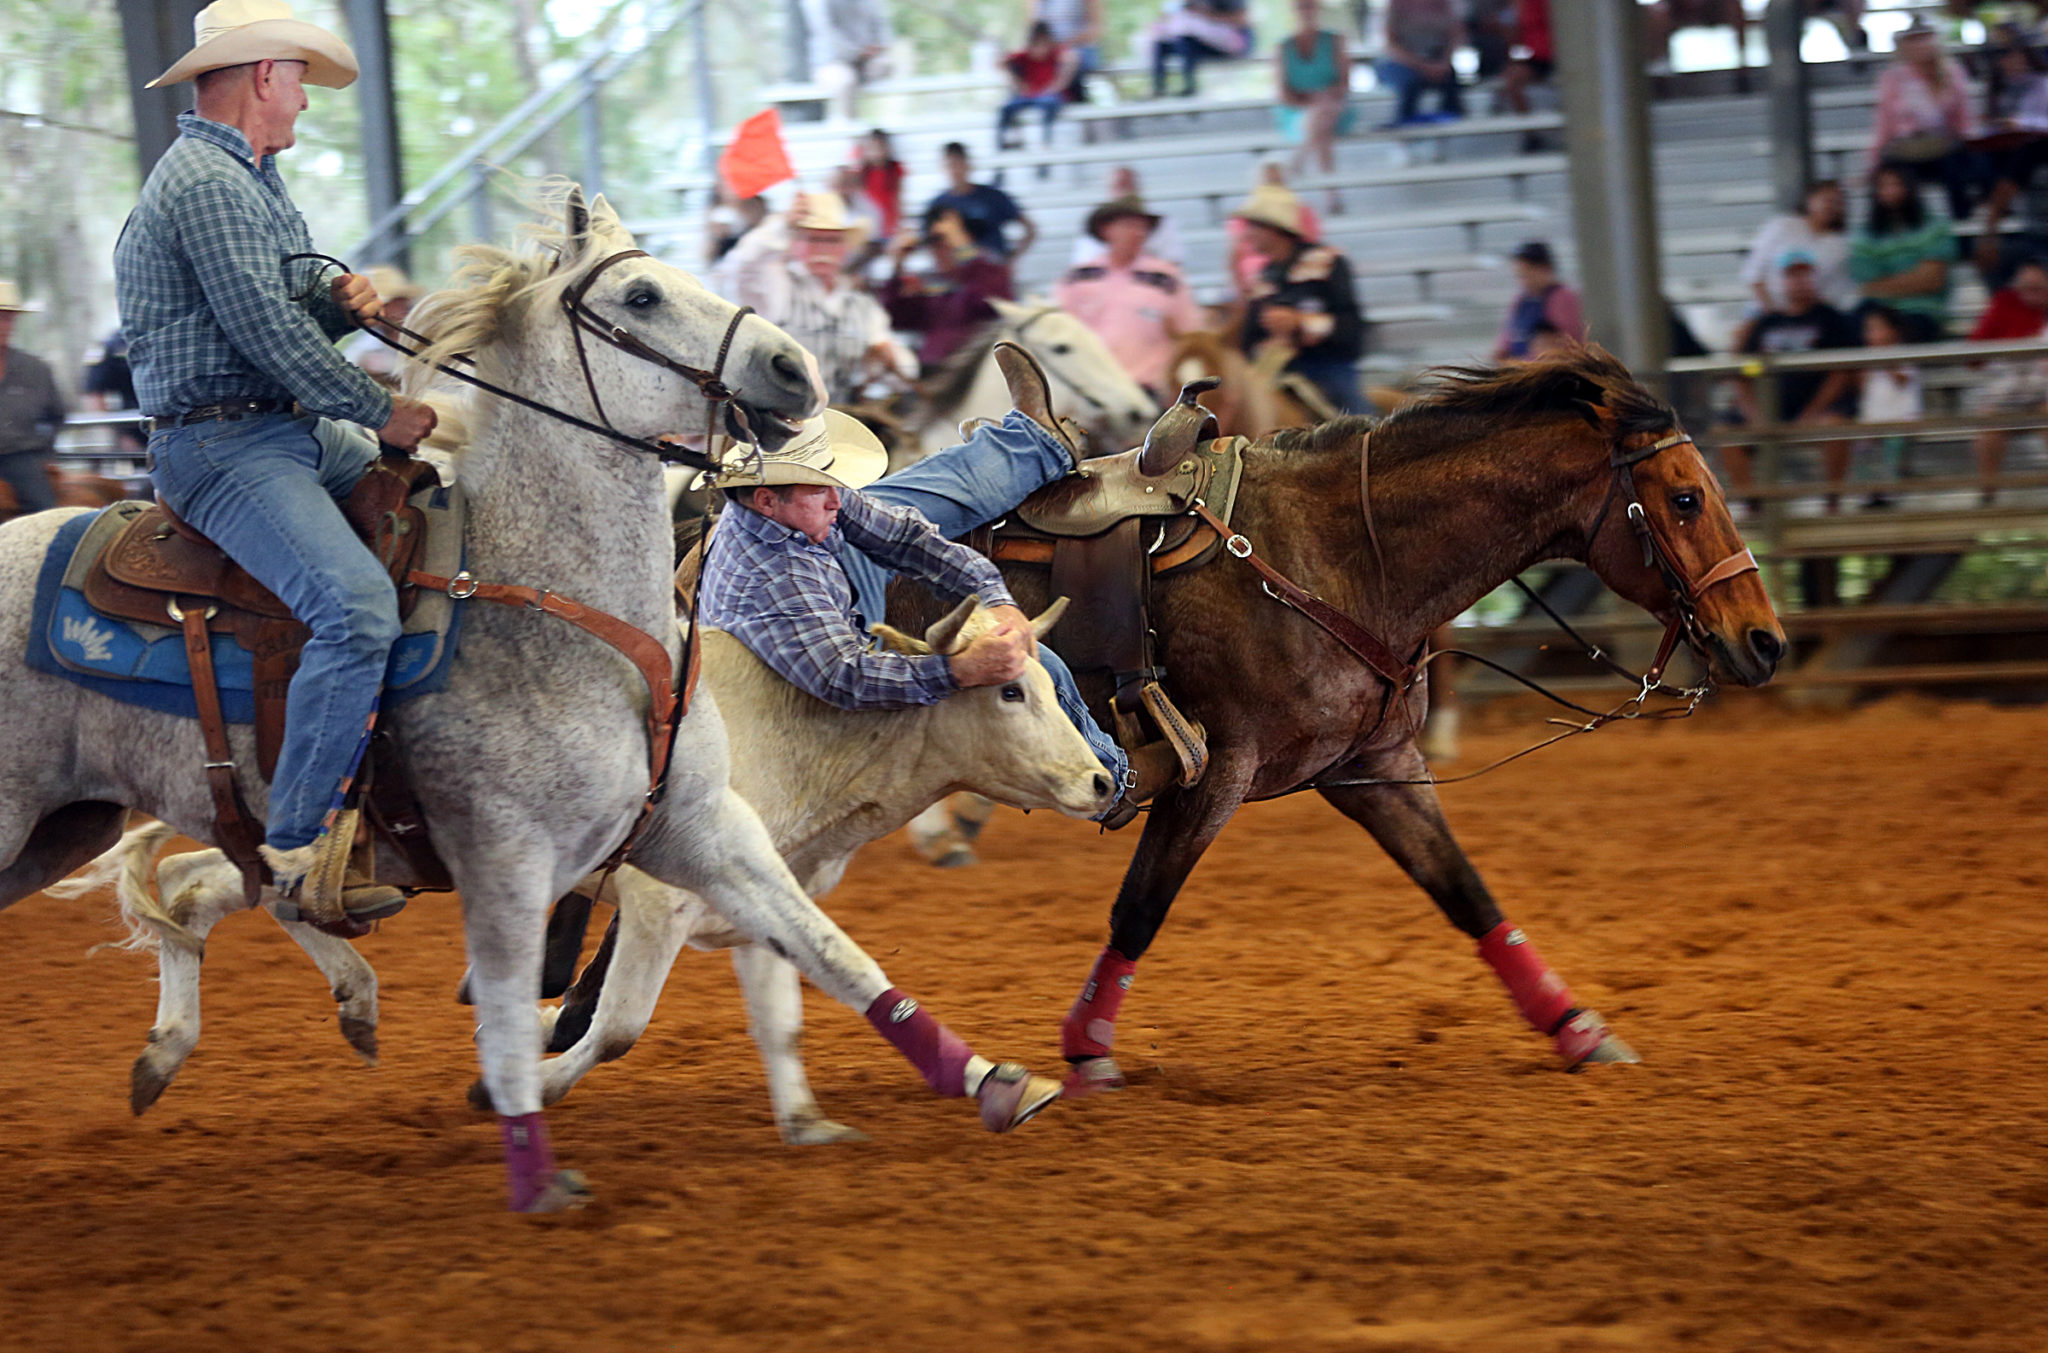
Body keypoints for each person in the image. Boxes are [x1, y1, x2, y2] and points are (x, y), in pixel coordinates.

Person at [114, 0, 439, 926]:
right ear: (263, 76)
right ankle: (297, 847)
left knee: (439, 501)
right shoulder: (210, 186)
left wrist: (337, 304)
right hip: (222, 444)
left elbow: (277, 310)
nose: (304, 100)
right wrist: (382, 410)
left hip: (281, 428)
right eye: (298, 78)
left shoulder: (252, 179)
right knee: (357, 604)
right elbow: (260, 332)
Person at [698, 352, 1183, 824]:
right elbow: (847, 678)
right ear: (765, 499)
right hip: (817, 694)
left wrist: (995, 598)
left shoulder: (802, 510)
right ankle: (1118, 779)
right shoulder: (775, 579)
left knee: (898, 504)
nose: (837, 498)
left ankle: (1033, 442)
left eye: (831, 483)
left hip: (829, 595)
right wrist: (956, 670)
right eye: (820, 488)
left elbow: (906, 538)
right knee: (1022, 663)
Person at [720, 190, 917, 404]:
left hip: (843, 416)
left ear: (844, 248)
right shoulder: (778, 285)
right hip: (783, 418)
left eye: (832, 240)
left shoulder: (861, 305)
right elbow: (739, 268)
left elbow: (905, 375)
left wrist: (891, 358)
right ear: (795, 244)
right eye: (813, 238)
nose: (823, 248)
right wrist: (781, 224)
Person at [1723, 251, 1860, 507]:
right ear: (1781, 281)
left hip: (1818, 410)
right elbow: (1741, 371)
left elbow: (1841, 372)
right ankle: (1753, 504)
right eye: (1792, 274)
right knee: (1725, 432)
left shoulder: (1832, 320)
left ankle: (1832, 502)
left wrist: (1812, 412)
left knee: (1836, 425)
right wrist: (1754, 413)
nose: (1798, 281)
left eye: (1804, 273)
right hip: (1767, 409)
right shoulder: (1764, 323)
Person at [1234, 183, 1366, 413]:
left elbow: (1352, 327)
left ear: (1273, 229)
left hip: (1327, 368)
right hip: (1277, 374)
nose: (1246, 234)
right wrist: (1267, 344)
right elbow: (1249, 339)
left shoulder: (1328, 262)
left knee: (1356, 423)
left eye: (1253, 226)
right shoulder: (1264, 277)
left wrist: (1300, 322)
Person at [1055, 196, 1202, 398]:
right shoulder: (1077, 277)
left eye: (1144, 228)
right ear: (1105, 230)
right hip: (1090, 391)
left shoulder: (1167, 278)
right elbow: (1058, 331)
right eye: (1129, 225)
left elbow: (1190, 333)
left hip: (1149, 388)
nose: (1139, 233)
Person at [1867, 21, 1979, 221]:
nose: (1921, 45)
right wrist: (1874, 160)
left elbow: (1963, 120)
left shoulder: (1952, 73)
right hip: (1905, 151)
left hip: (1944, 149)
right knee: (1893, 176)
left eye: (1924, 38)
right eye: (1914, 40)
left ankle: (1963, 226)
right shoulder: (1892, 78)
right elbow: (1884, 124)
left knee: (1960, 167)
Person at [882, 207, 1014, 371]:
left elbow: (994, 305)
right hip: (935, 377)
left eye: (946, 242)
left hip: (977, 375)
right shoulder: (931, 284)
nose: (939, 251)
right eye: (934, 244)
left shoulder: (991, 272)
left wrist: (965, 251)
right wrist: (897, 266)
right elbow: (893, 318)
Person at [1963, 257, 2048, 501]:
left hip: (2044, 397)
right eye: (2025, 289)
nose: (2030, 295)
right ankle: (1987, 496)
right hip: (2008, 394)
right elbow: (1972, 357)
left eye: (2038, 289)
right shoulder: (2004, 304)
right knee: (1989, 424)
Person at [1849, 162, 1954, 343]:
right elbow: (1868, 285)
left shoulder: (1935, 227)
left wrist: (1885, 285)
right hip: (1876, 311)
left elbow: (1934, 279)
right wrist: (1916, 279)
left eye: (1896, 184)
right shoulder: (1864, 235)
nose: (1891, 191)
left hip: (1922, 311)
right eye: (1884, 185)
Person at [1274, 0, 1353, 212]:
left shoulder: (1335, 40)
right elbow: (1283, 93)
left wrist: (1322, 100)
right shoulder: (1284, 46)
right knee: (1321, 125)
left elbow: (1344, 84)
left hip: (1333, 109)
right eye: (1301, 6)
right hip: (1300, 113)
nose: (1306, 11)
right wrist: (1313, 101)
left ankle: (1296, 165)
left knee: (1324, 115)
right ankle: (1331, 192)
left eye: (1310, 5)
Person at [1740, 180, 1856, 316]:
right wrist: (1772, 315)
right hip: (1762, 312)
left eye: (1837, 202)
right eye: (1827, 200)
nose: (1831, 206)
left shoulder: (1840, 246)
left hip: (1809, 319)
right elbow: (1753, 274)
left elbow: (1835, 293)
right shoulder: (1782, 226)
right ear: (1810, 199)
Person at [0, 280, 64, 517]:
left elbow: (55, 416)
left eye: (8, 318)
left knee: (44, 510)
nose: (3, 325)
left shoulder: (35, 368)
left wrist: (44, 454)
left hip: (21, 456)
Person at [1854, 303, 1922, 508]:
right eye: (1869, 329)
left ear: (1894, 331)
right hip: (1873, 418)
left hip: (1901, 418)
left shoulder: (1904, 355)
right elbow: (1862, 389)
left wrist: (1884, 363)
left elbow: (1903, 380)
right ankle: (1867, 493)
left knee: (1893, 452)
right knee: (1861, 452)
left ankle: (1891, 493)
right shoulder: (1866, 359)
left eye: (1877, 328)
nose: (1871, 334)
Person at [922, 143, 1036, 262]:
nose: (954, 170)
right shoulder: (937, 206)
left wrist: (1012, 259)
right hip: (960, 274)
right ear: (943, 168)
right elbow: (929, 245)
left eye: (958, 164)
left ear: (968, 164)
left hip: (993, 271)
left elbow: (1029, 228)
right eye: (950, 165)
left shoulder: (992, 197)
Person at [1227, 162, 1323, 294]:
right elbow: (1234, 257)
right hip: (1257, 282)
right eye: (1269, 181)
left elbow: (1312, 246)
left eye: (1276, 181)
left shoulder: (1303, 211)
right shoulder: (1247, 216)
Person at [1491, 240, 1586, 362]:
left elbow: (1564, 345)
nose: (1524, 281)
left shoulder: (1562, 298)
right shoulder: (1521, 301)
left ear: (1545, 268)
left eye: (1527, 274)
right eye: (1520, 276)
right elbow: (1506, 340)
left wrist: (1526, 363)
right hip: (1522, 371)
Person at [1070, 166, 1185, 265]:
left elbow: (1173, 260)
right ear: (1105, 231)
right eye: (1119, 185)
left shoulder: (1163, 224)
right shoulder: (1095, 226)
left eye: (1139, 226)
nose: (1137, 233)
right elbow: (1083, 263)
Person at [1376, 0, 1465, 127]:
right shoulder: (1395, 7)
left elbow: (1456, 35)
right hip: (1400, 63)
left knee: (1451, 80)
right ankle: (1405, 125)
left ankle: (1451, 122)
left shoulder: (1445, 5)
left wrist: (1443, 63)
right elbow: (1390, 45)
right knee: (1409, 82)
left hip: (1436, 61)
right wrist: (1421, 65)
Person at [803, 0, 894, 121]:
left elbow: (881, 23)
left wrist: (879, 46)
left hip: (868, 60)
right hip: (832, 62)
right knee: (845, 82)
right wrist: (856, 53)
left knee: (886, 65)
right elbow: (826, 30)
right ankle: (852, 132)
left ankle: (881, 130)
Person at [1146, 0, 1255, 98]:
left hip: (1232, 44)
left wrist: (1204, 14)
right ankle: (1159, 89)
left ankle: (1190, 87)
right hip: (1194, 45)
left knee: (1186, 39)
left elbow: (1243, 19)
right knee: (1161, 44)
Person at [998, 22, 1078, 156]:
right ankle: (1006, 143)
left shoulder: (1057, 53)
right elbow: (1000, 62)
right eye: (1037, 43)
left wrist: (1057, 85)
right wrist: (1018, 83)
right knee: (1006, 108)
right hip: (1029, 95)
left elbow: (1072, 59)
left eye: (1044, 43)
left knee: (1049, 103)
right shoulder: (1024, 55)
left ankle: (1045, 143)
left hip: (1048, 96)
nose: (1040, 49)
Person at [341, 264, 422, 387]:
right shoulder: (363, 351)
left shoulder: (424, 337)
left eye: (400, 301)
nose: (399, 308)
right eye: (391, 303)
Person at [1026, 0, 1104, 99]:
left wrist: (1064, 45)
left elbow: (1095, 29)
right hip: (1048, 51)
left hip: (1080, 50)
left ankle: (1054, 97)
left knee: (1069, 60)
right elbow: (1034, 27)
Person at [851, 128, 905, 240]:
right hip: (869, 220)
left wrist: (899, 221)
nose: (877, 152)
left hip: (889, 217)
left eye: (880, 147)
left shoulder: (894, 169)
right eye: (872, 148)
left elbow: (898, 197)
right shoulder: (862, 172)